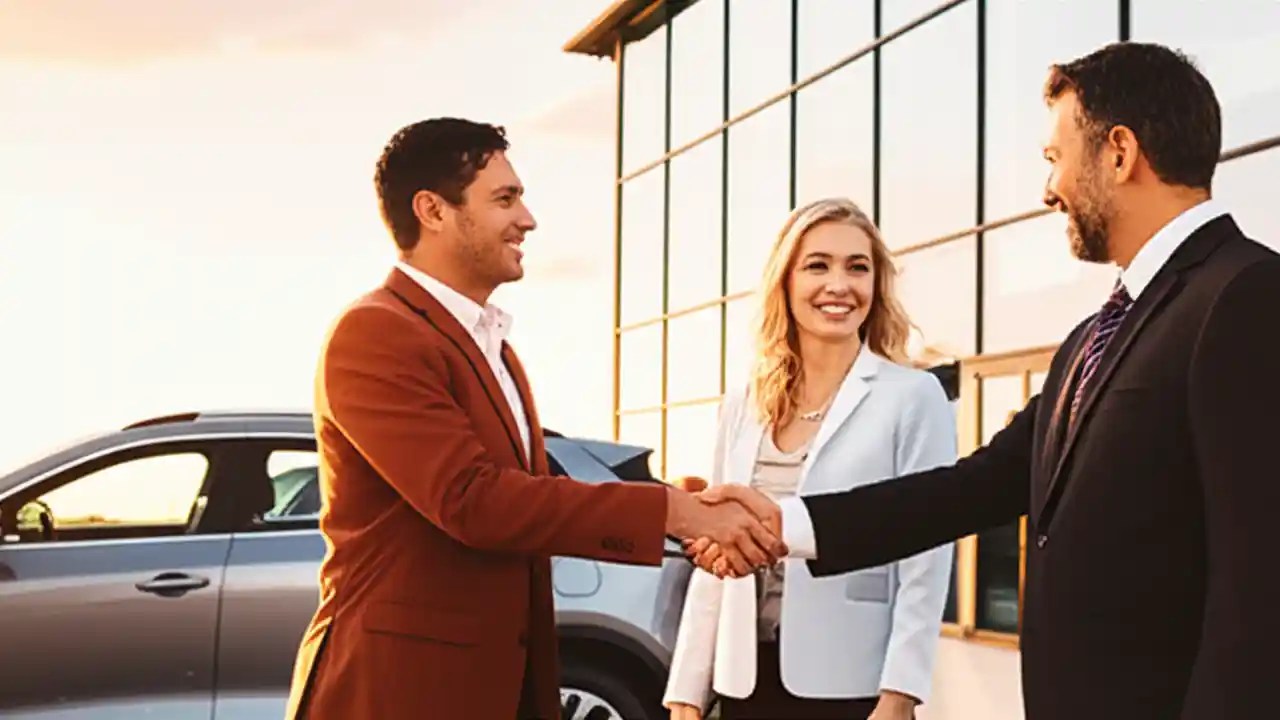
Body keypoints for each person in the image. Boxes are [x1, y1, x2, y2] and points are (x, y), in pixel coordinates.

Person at [688, 42, 1280, 720]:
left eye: (1056, 159)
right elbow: (971, 490)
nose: (1048, 189)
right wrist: (783, 522)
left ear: (1118, 153)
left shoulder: (1248, 299)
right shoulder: (1091, 339)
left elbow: (1261, 588)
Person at [283, 117, 785, 720]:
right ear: (432, 210)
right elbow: (474, 500)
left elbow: (535, 490)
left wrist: (668, 500)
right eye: (505, 198)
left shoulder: (492, 344)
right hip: (400, 691)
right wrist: (674, 515)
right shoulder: (375, 333)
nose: (527, 218)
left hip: (499, 685)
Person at [663, 198, 956, 720]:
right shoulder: (744, 403)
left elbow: (926, 560)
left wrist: (900, 695)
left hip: (850, 685)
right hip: (745, 683)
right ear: (786, 281)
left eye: (857, 267)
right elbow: (716, 543)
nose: (839, 285)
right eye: (818, 265)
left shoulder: (913, 396)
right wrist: (687, 688)